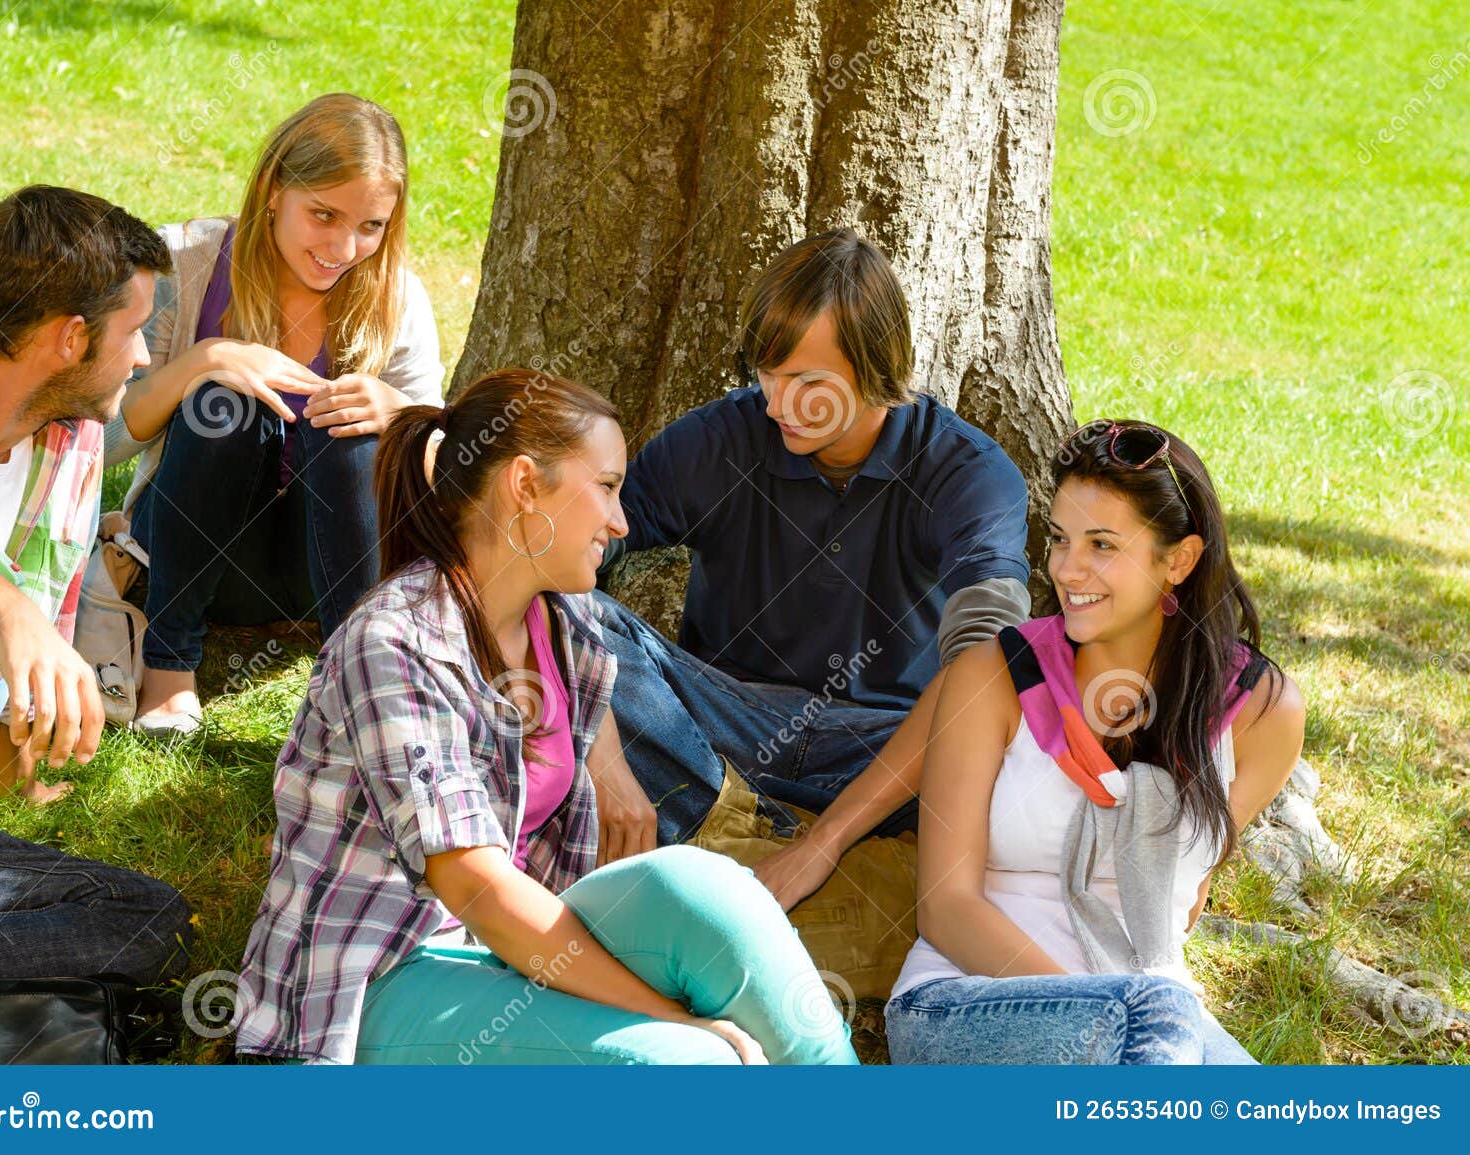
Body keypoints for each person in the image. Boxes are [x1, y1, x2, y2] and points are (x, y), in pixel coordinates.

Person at [233, 369, 859, 1066]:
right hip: (382, 975)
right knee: (687, 1063)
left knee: (717, 894)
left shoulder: (566, 620)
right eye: (607, 486)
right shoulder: (395, 643)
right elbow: (476, 885)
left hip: (513, 947)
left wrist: (610, 762)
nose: (622, 522)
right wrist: (672, 1018)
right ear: (525, 484)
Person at [591, 229, 1031, 907]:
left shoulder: (969, 474)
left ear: (879, 365)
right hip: (720, 727)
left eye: (807, 382)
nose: (775, 403)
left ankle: (734, 851)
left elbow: (987, 669)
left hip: (884, 748)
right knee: (572, 615)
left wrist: (819, 846)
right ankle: (734, 839)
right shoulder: (715, 441)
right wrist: (606, 757)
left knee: (1011, 748)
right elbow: (569, 552)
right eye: (768, 374)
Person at [0, 187, 195, 1064]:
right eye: (134, 331)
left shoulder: (73, 440)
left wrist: (15, 754)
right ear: (70, 338)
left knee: (147, 921)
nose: (142, 357)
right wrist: (7, 607)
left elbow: (17, 706)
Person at [885, 420, 1306, 1065]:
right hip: (969, 1005)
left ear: (1179, 561)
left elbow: (1187, 896)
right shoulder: (994, 677)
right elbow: (945, 908)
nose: (1066, 568)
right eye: (1059, 539)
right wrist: (1112, 1007)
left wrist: (1131, 1014)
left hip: (1157, 1014)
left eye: (1102, 544)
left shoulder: (1260, 712)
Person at [104, 93, 444, 737]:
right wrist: (203, 359)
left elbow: (446, 476)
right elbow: (103, 441)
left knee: (345, 420)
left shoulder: (396, 297)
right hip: (187, 547)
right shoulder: (185, 261)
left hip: (324, 570)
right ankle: (170, 668)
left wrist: (404, 418)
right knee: (221, 399)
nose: (344, 247)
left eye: (370, 226)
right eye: (323, 214)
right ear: (271, 188)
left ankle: (354, 688)